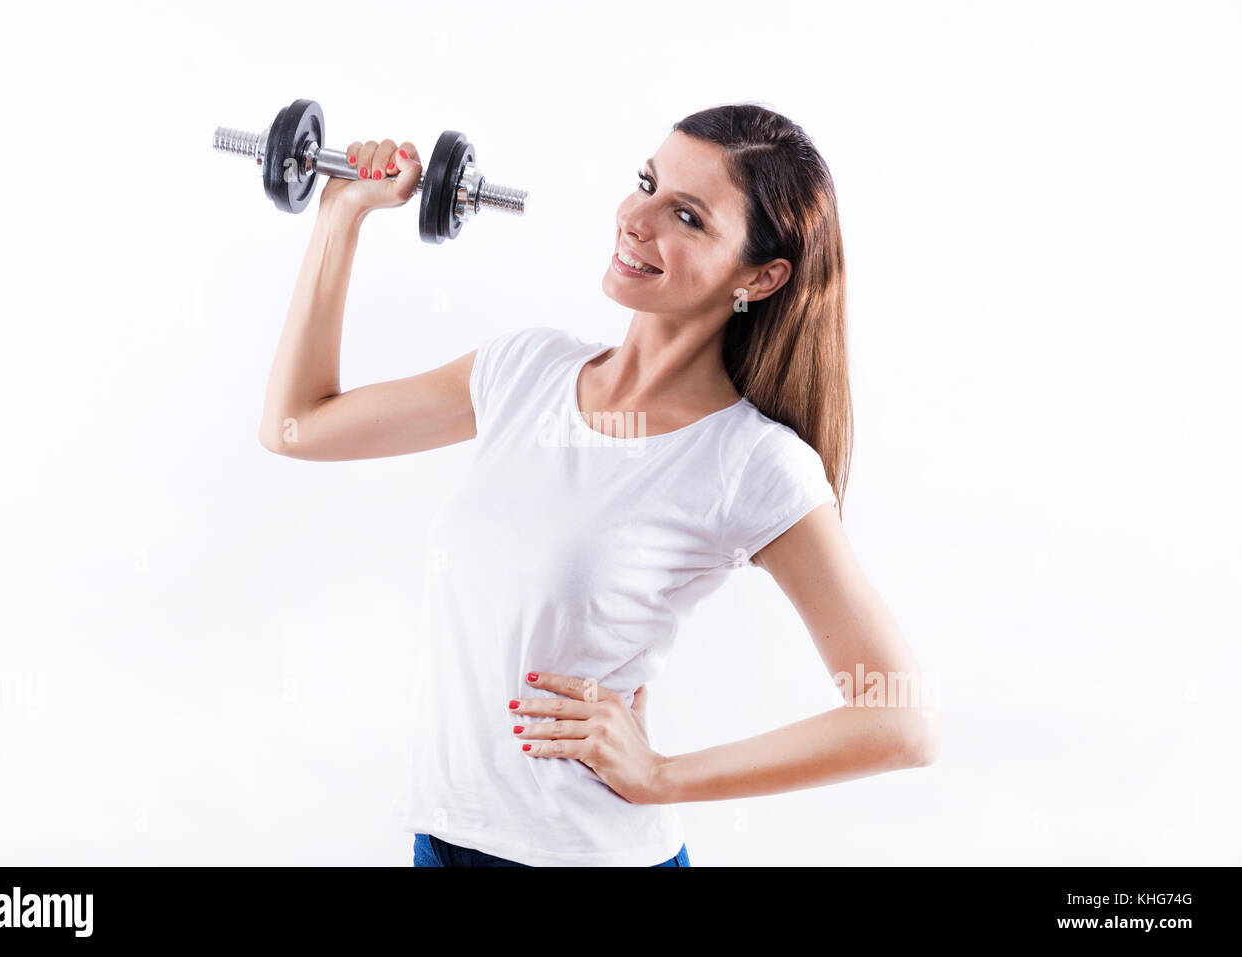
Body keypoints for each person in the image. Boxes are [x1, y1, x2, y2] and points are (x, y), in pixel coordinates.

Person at [258, 103, 941, 867]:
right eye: (645, 182)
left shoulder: (750, 461)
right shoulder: (526, 371)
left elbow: (902, 721)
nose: (634, 219)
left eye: (685, 214)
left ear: (761, 275)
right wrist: (341, 212)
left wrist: (660, 775)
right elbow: (298, 425)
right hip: (444, 841)